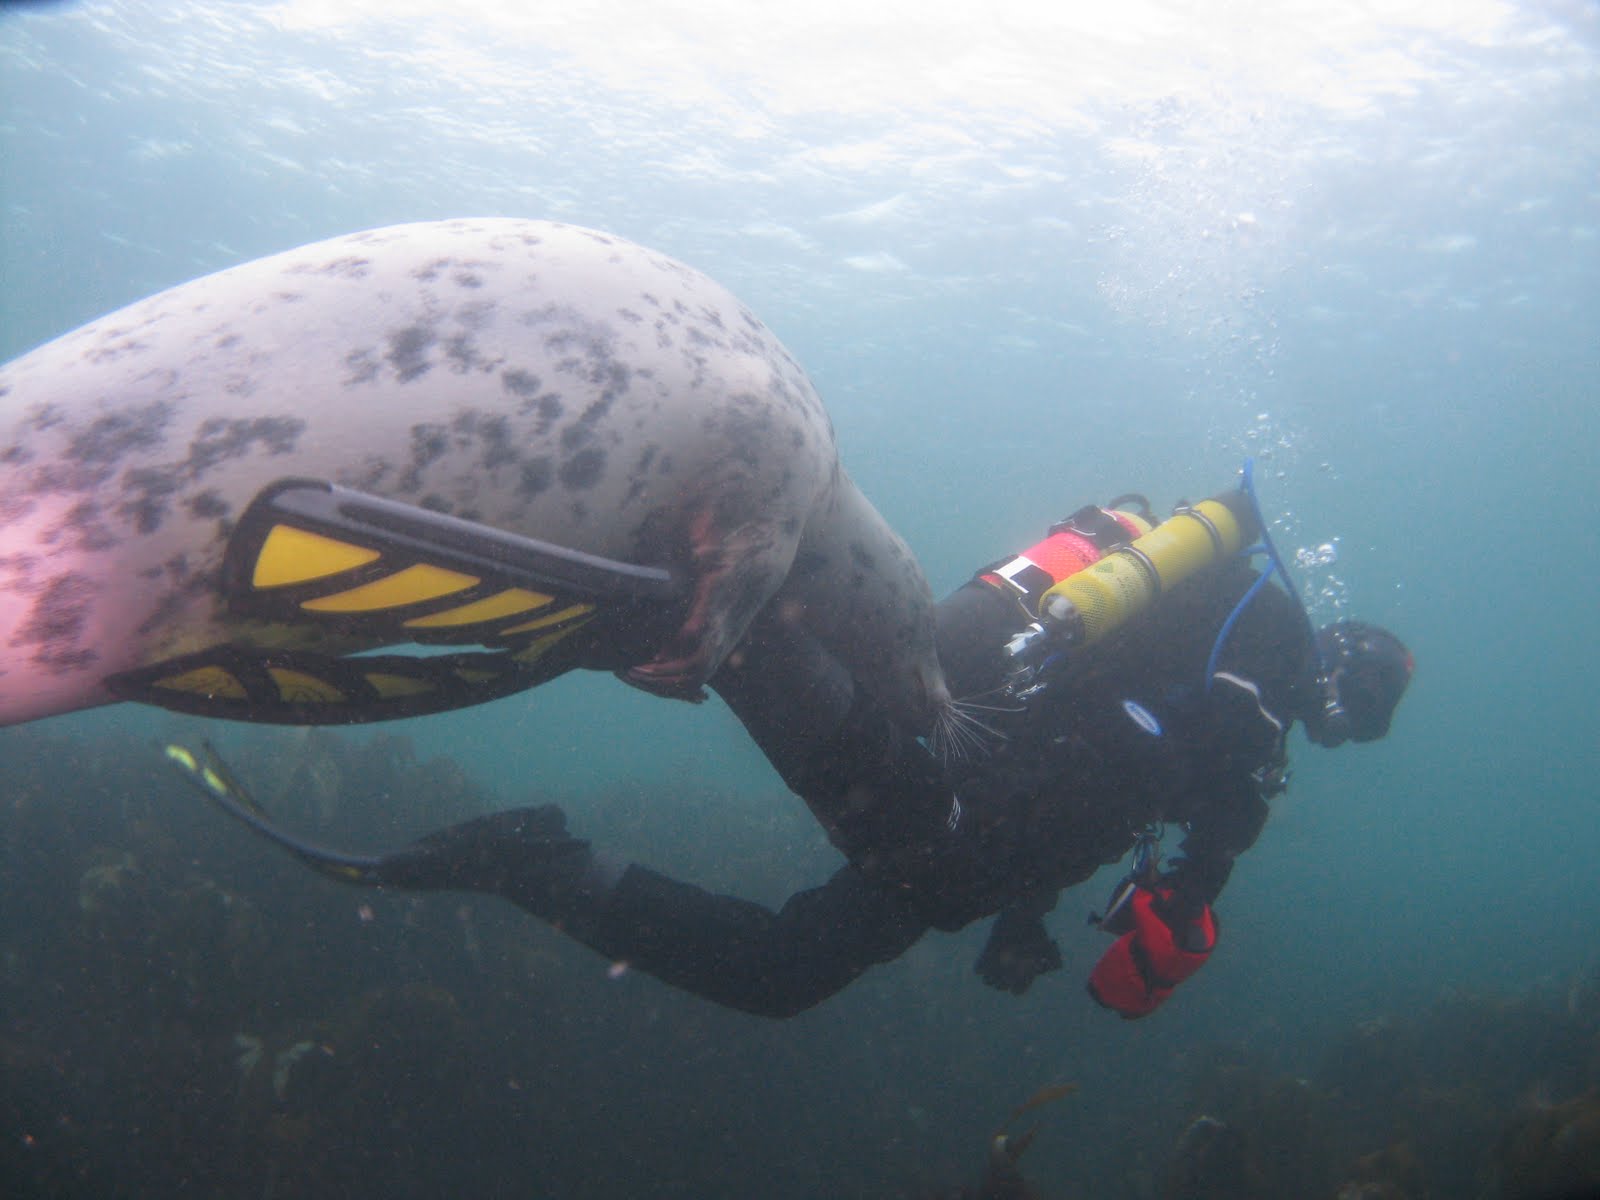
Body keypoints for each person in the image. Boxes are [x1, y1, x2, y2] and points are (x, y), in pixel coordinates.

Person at [171, 477, 1412, 1019]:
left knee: (780, 976)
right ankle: (679, 585)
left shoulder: (1225, 666)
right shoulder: (1255, 698)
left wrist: (1023, 914)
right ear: (1343, 680)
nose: (1341, 736)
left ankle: (529, 858)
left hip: (966, 836)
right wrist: (1153, 893)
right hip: (952, 810)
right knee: (781, 697)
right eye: (1357, 718)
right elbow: (1169, 863)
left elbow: (1110, 771)